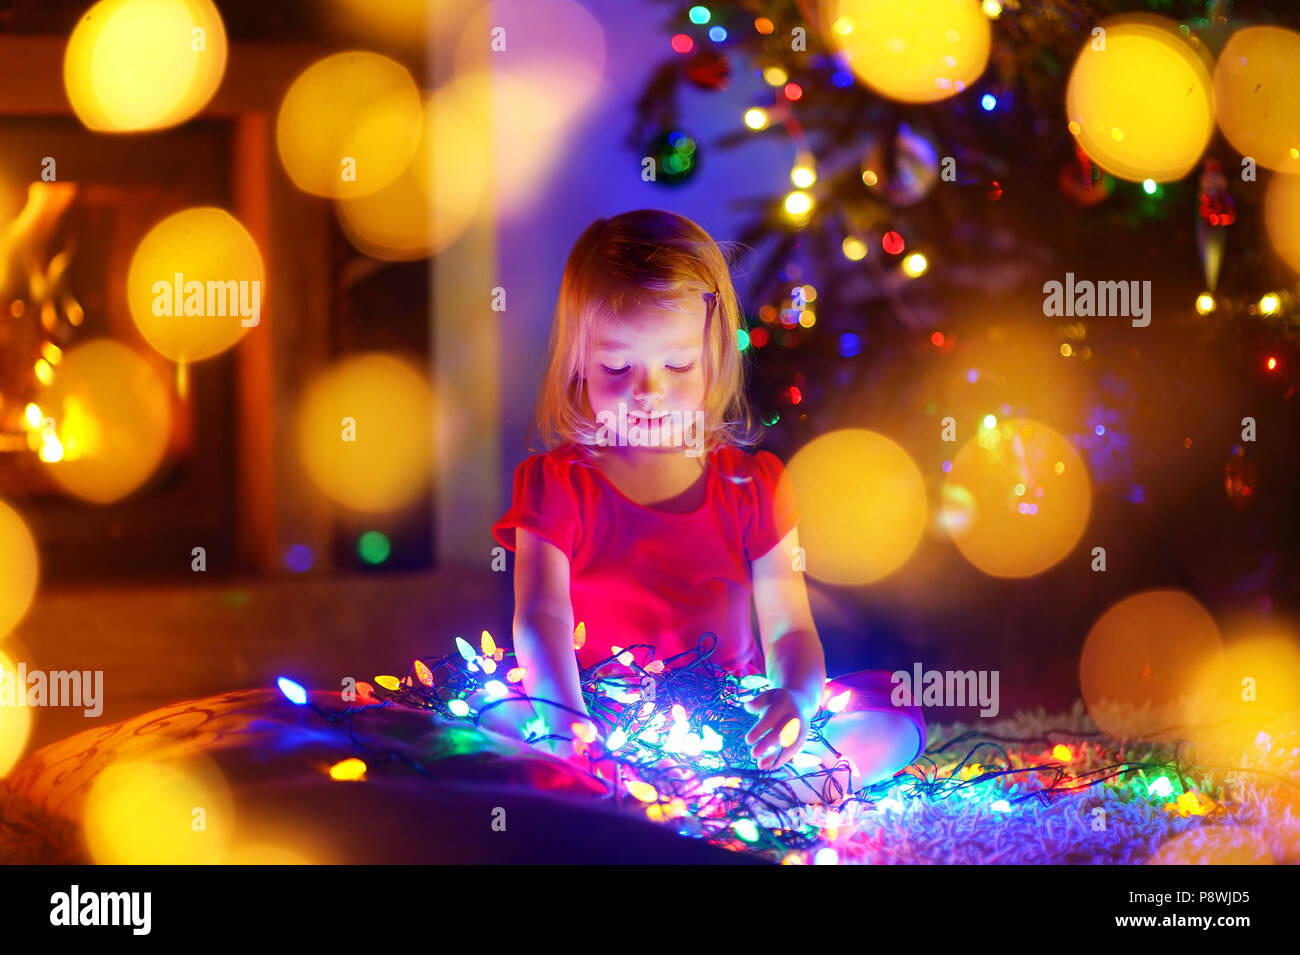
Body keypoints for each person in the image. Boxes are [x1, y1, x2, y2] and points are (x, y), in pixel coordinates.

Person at [489, 209, 924, 802]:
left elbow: (791, 626)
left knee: (894, 714)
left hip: (728, 725)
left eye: (677, 365)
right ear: (578, 363)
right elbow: (541, 617)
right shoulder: (556, 484)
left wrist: (793, 699)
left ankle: (765, 792)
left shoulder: (755, 487)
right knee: (497, 718)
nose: (649, 391)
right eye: (617, 366)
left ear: (712, 357)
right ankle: (625, 783)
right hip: (599, 719)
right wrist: (566, 720)